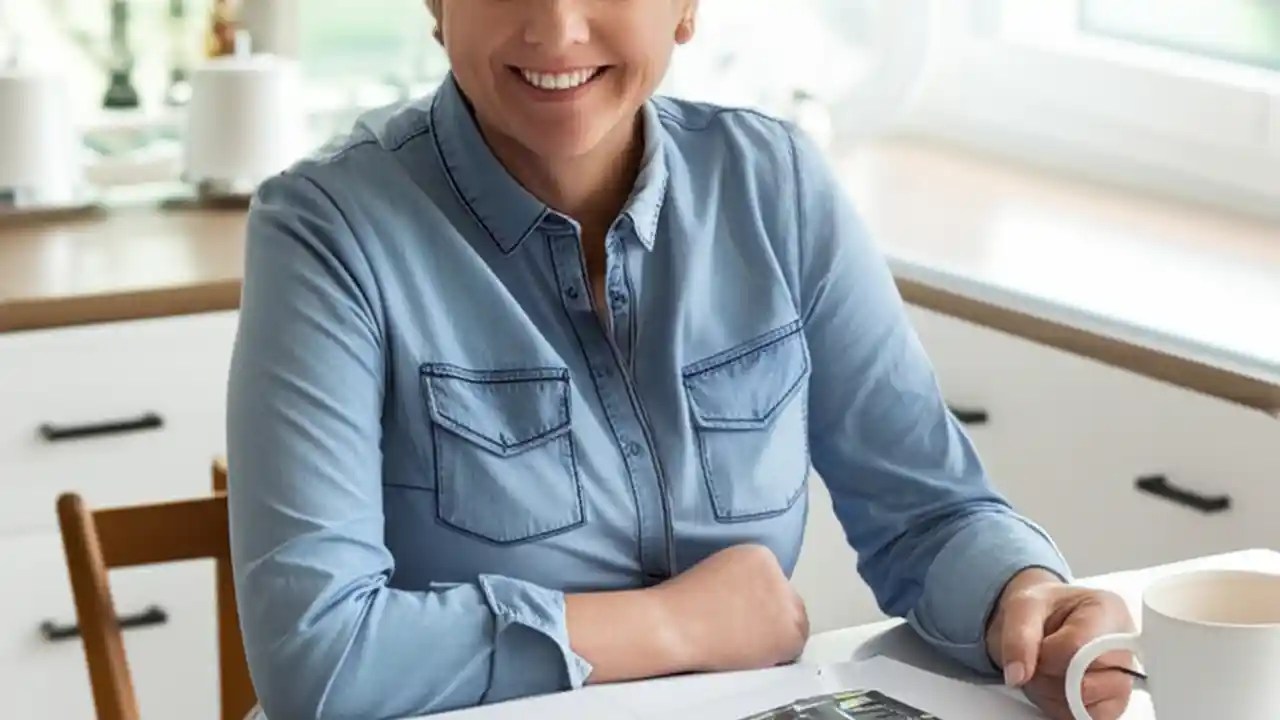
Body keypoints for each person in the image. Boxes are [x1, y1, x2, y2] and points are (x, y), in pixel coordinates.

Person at [226, 1, 1137, 718]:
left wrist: (1027, 601)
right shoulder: (325, 231)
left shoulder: (775, 185)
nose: (556, 26)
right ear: (435, 4)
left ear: (687, 5)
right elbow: (321, 654)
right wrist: (672, 623)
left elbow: (929, 513)